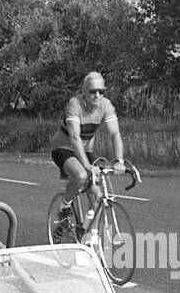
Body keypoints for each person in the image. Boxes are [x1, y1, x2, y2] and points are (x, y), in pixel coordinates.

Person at [50, 72, 125, 239]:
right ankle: (64, 206)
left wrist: (119, 161)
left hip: (86, 149)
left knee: (97, 195)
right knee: (82, 175)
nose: (97, 95)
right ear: (84, 91)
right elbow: (75, 137)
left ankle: (86, 231)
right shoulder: (74, 105)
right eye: (92, 91)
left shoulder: (106, 105)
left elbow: (115, 134)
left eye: (101, 91)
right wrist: (87, 166)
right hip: (63, 147)